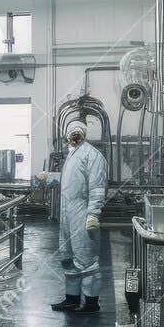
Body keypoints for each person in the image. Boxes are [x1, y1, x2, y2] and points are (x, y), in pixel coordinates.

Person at [51, 126, 108, 315]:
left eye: (77, 134)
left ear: (83, 135)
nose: (73, 137)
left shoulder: (92, 155)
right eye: (71, 133)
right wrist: (51, 178)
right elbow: (72, 180)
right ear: (66, 135)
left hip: (82, 213)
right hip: (67, 213)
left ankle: (91, 303)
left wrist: (93, 213)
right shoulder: (72, 153)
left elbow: (97, 187)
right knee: (67, 257)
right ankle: (72, 299)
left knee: (86, 257)